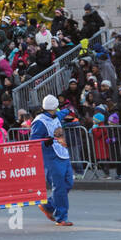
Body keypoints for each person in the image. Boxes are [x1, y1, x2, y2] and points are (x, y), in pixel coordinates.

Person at [30, 94, 75, 227]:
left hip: (63, 154)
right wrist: (46, 143)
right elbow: (33, 142)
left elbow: (64, 113)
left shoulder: (56, 115)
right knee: (60, 187)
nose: (57, 110)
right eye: (56, 108)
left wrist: (70, 110)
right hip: (51, 158)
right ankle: (61, 217)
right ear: (52, 108)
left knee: (68, 183)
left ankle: (48, 206)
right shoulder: (39, 121)